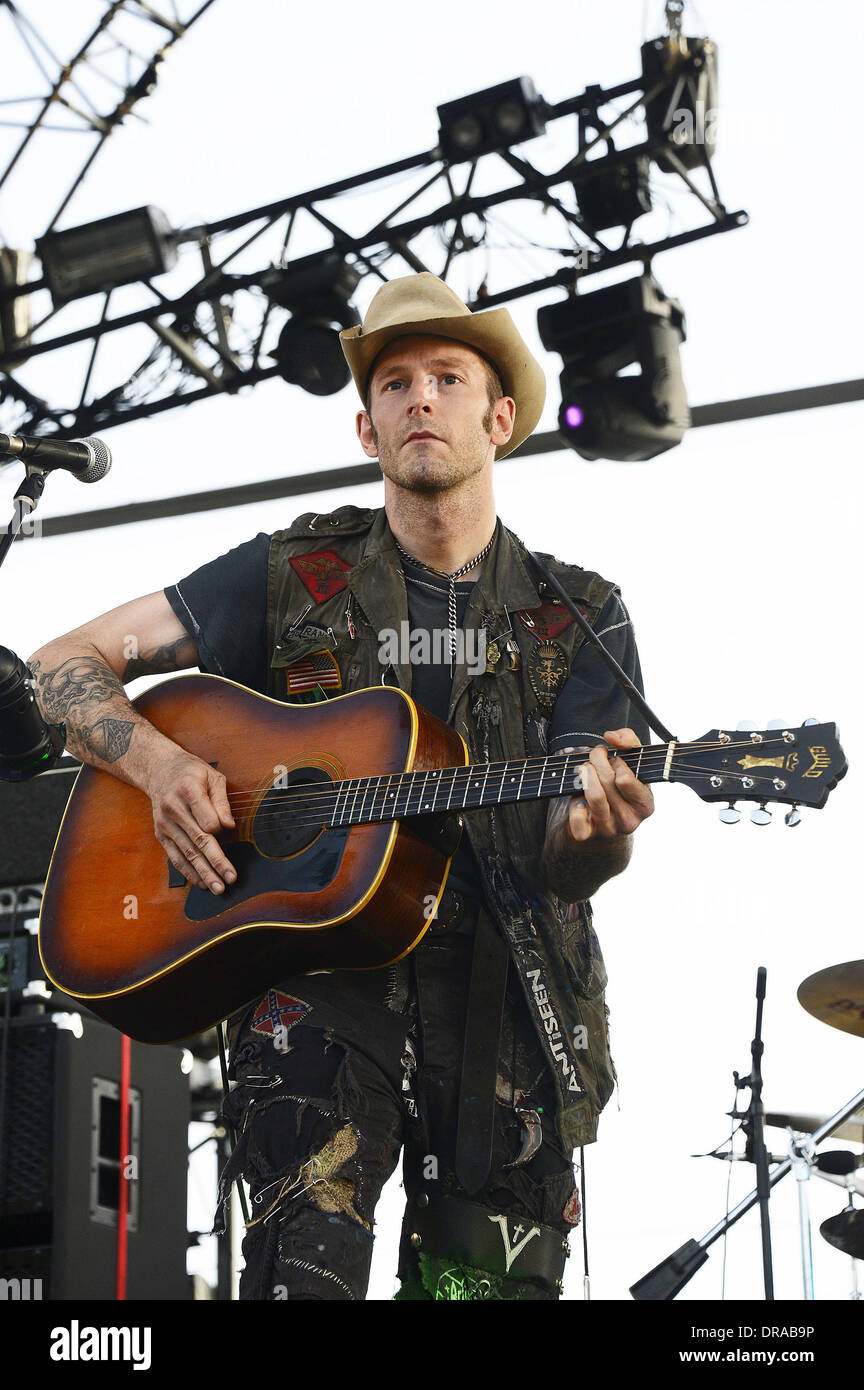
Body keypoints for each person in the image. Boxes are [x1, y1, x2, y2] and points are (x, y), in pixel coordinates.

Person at [26, 272, 654, 1301]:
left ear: (499, 418)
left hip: (509, 1007)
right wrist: (161, 762)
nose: (420, 397)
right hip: (315, 993)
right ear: (367, 429)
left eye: (447, 376)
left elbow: (573, 845)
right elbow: (65, 662)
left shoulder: (578, 613)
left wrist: (601, 831)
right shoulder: (285, 572)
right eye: (396, 381)